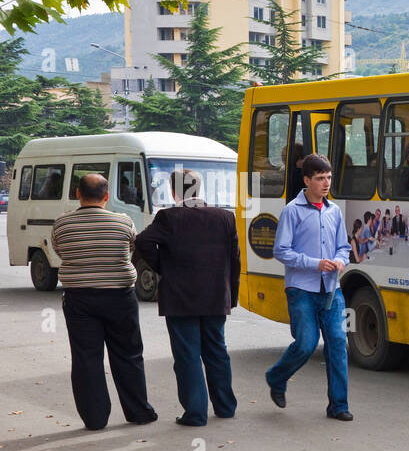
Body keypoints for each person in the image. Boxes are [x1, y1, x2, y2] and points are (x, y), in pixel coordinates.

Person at [50, 173, 158, 430]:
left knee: (87, 358)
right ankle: (139, 412)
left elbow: (59, 251)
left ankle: (95, 419)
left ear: (78, 194)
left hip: (79, 299)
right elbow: (131, 249)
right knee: (129, 354)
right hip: (120, 296)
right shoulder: (123, 222)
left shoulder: (62, 224)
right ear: (106, 196)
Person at [133, 168, 240, 427]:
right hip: (216, 296)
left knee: (188, 355)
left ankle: (195, 412)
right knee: (217, 351)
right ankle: (225, 407)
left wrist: (164, 268)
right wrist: (231, 295)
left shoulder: (169, 217)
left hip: (180, 298)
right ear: (199, 188)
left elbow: (142, 242)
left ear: (173, 191)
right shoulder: (225, 217)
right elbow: (234, 260)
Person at [265, 153, 353, 421]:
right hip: (301, 288)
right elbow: (281, 251)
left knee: (338, 344)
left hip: (332, 290)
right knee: (305, 344)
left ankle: (338, 405)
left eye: (328, 178)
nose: (326, 183)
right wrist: (315, 263)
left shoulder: (334, 211)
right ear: (307, 180)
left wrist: (339, 261)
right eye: (320, 179)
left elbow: (344, 247)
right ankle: (276, 377)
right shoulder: (292, 210)